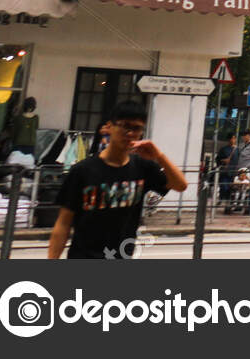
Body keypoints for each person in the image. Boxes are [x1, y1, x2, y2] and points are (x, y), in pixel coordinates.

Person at [48, 101, 186, 259]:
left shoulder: (143, 168)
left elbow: (180, 185)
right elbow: (63, 223)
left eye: (137, 128)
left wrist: (159, 156)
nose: (130, 133)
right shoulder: (83, 170)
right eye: (125, 126)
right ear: (109, 127)